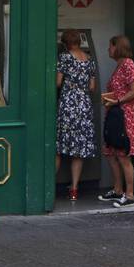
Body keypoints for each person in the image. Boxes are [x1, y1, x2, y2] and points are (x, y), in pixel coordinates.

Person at [100, 34, 134, 208]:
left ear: (118, 47)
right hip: (115, 115)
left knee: (123, 155)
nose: (108, 49)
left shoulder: (128, 65)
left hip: (125, 116)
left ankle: (130, 195)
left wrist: (117, 101)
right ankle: (117, 190)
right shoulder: (119, 66)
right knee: (111, 153)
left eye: (110, 46)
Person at [54, 29, 97, 201]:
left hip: (68, 105)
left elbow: (57, 82)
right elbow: (92, 87)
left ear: (65, 43)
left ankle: (48, 186)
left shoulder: (64, 57)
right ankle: (74, 189)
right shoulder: (89, 59)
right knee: (78, 151)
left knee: (59, 146)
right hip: (84, 106)